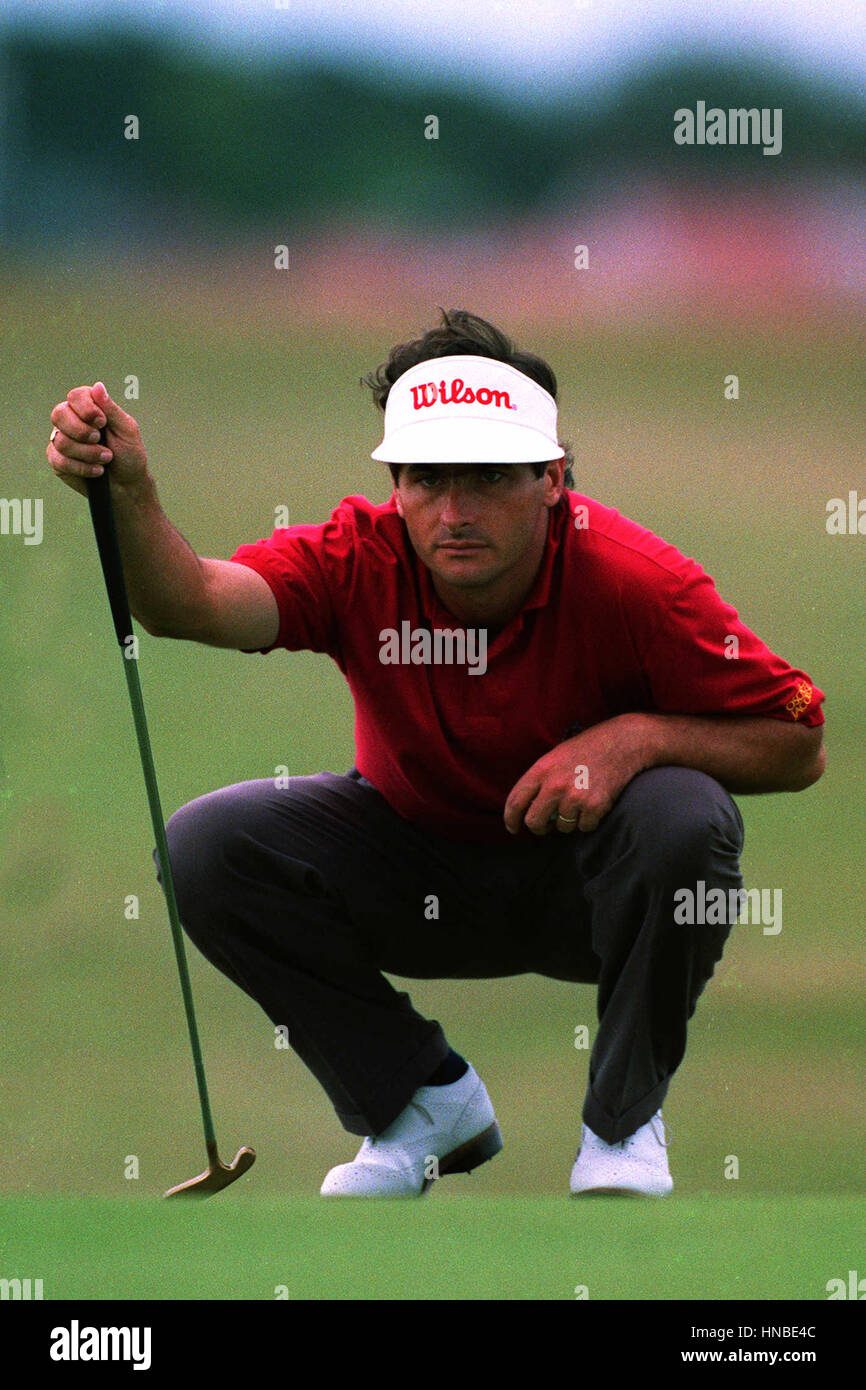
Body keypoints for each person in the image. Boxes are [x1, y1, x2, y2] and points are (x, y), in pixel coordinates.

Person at [47, 308, 826, 1198]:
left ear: (551, 478)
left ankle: (622, 1129)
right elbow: (192, 604)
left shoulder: (639, 581)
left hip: (590, 893)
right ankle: (421, 1105)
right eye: (425, 480)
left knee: (684, 815)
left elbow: (798, 740)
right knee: (208, 844)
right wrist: (133, 495)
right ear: (396, 484)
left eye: (488, 479)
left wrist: (634, 740)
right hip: (413, 880)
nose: (454, 513)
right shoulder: (359, 557)